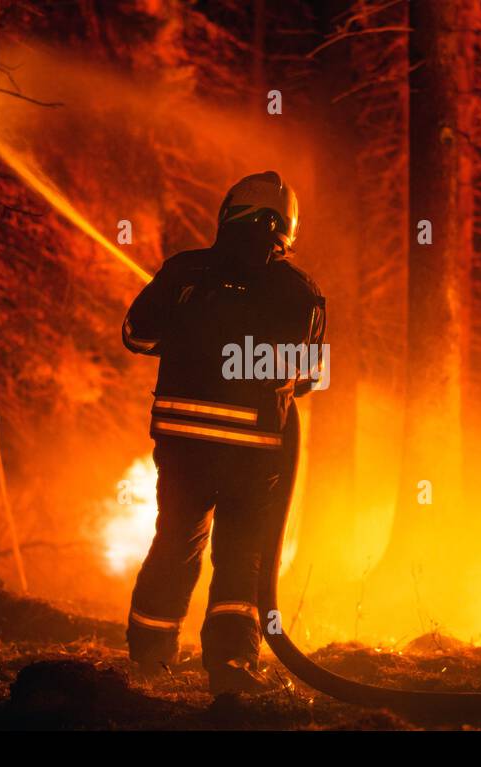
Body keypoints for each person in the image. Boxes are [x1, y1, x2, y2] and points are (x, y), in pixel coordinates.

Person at [121, 171, 326, 695]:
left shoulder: (185, 270)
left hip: (183, 445)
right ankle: (232, 667)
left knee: (174, 543)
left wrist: (188, 337)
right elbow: (306, 378)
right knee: (242, 555)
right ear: (287, 228)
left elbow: (135, 335)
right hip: (252, 453)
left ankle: (148, 659)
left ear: (228, 213)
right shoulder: (301, 292)